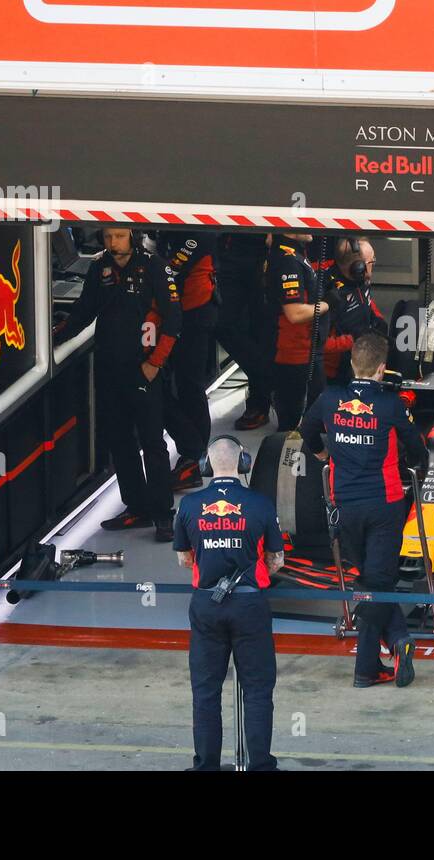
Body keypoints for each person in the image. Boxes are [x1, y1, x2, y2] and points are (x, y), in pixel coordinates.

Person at [300, 333, 428, 688]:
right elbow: (417, 449)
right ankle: (386, 652)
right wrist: (417, 469)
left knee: (371, 582)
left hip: (345, 507)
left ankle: (372, 664)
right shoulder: (390, 404)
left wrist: (324, 456)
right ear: (382, 369)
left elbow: (305, 430)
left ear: (353, 363)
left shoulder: (329, 399)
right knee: (380, 584)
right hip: (384, 506)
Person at [56, 227, 182, 542]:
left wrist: (155, 364)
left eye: (120, 236)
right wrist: (49, 339)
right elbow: (83, 312)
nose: (113, 243)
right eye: (109, 237)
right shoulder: (99, 268)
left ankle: (163, 514)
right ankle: (137, 506)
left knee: (153, 443)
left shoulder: (156, 267)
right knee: (120, 441)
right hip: (109, 369)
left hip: (144, 369)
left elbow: (174, 320)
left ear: (133, 237)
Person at [174, 436, 283, 771]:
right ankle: (261, 765)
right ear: (243, 463)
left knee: (205, 692)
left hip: (207, 605)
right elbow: (276, 560)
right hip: (250, 606)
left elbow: (184, 560)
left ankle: (205, 765)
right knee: (258, 690)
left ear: (206, 465)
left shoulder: (189, 506)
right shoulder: (261, 504)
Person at [159, 233, 219, 491]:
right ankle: (193, 454)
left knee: (189, 385)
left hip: (194, 315)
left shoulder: (196, 231)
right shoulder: (168, 227)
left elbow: (170, 270)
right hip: (180, 314)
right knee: (182, 385)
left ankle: (194, 458)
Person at [267, 233, 331, 432]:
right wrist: (329, 304)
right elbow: (294, 313)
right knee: (293, 428)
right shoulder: (288, 261)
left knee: (312, 421)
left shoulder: (295, 254)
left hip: (305, 350)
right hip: (294, 356)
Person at [214, 232, 274, 432]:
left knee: (262, 328)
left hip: (265, 251)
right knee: (224, 325)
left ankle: (260, 401)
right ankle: (265, 380)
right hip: (230, 248)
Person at [323, 238, 387, 384]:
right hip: (334, 375)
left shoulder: (359, 280)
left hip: (359, 365)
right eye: (372, 262)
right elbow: (319, 344)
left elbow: (365, 300)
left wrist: (378, 319)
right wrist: (353, 340)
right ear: (359, 266)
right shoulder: (329, 294)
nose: (374, 265)